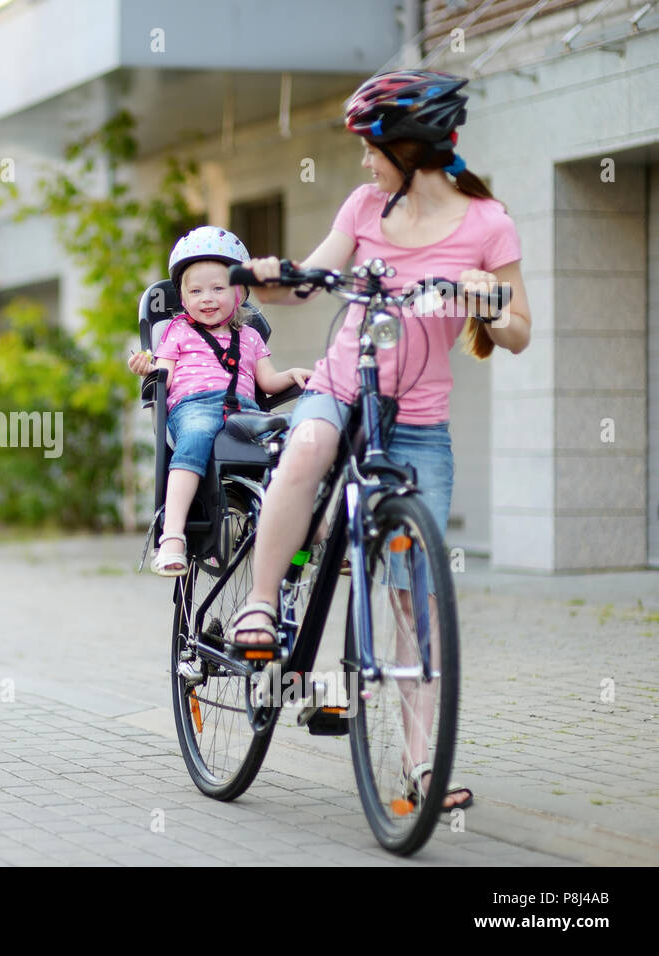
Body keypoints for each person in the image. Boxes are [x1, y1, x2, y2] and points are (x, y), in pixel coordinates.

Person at [230, 70, 532, 812]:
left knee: (413, 604)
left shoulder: (486, 222)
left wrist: (481, 298)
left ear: (409, 148)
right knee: (303, 452)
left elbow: (520, 330)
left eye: (372, 147)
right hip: (339, 391)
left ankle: (424, 770)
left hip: (418, 423)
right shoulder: (366, 205)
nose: (365, 162)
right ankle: (261, 606)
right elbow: (312, 277)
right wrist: (272, 276)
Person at [128, 226, 310, 576]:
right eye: (195, 291)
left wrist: (294, 375)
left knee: (293, 446)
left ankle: (314, 535)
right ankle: (173, 537)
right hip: (192, 408)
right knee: (195, 438)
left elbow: (268, 382)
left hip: (245, 412)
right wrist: (146, 366)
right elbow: (162, 372)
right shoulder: (176, 332)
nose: (206, 298)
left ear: (239, 293)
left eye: (217, 288)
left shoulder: (251, 336)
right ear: (182, 297)